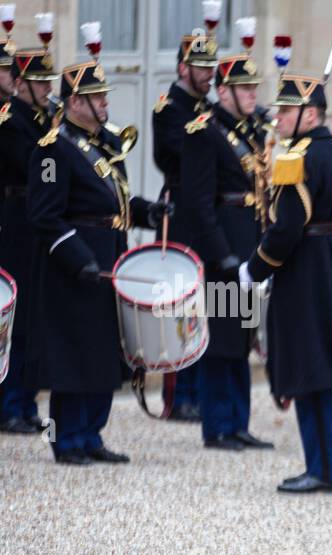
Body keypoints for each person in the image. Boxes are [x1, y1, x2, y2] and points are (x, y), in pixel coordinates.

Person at [25, 52, 171, 464]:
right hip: (74, 266)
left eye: (104, 96)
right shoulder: (52, 151)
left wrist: (149, 212)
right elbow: (44, 216)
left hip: (109, 257)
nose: (106, 103)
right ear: (74, 103)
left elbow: (115, 202)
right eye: (97, 97)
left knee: (105, 350)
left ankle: (91, 434)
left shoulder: (99, 143)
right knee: (73, 354)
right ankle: (65, 440)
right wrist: (78, 260)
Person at [239, 69, 332, 493]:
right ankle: (328, 468)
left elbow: (287, 229)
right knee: (321, 375)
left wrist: (255, 269)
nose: (278, 118)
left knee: (309, 370)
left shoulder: (295, 159)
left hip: (307, 271)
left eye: (287, 110)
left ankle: (323, 470)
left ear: (311, 115)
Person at [178, 24, 273, 452]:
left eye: (254, 87)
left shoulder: (252, 130)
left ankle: (238, 422)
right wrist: (223, 257)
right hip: (223, 250)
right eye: (244, 87)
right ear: (224, 91)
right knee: (221, 340)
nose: (252, 94)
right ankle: (217, 425)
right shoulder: (204, 132)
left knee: (243, 336)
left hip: (250, 242)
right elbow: (198, 204)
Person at [151, 28, 218, 423]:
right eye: (201, 66)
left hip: (211, 209)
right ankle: (179, 396)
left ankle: (206, 390)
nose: (209, 73)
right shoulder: (169, 108)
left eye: (211, 66)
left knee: (216, 301)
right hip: (184, 209)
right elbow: (172, 153)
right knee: (183, 302)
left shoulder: (210, 108)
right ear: (182, 68)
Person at [0, 39, 58, 434]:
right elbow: (35, 167)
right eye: (38, 82)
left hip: (38, 223)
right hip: (17, 222)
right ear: (20, 83)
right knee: (16, 320)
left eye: (46, 81)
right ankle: (9, 406)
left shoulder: (41, 120)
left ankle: (27, 403)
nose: (46, 89)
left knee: (36, 317)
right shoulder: (10, 121)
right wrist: (54, 141)